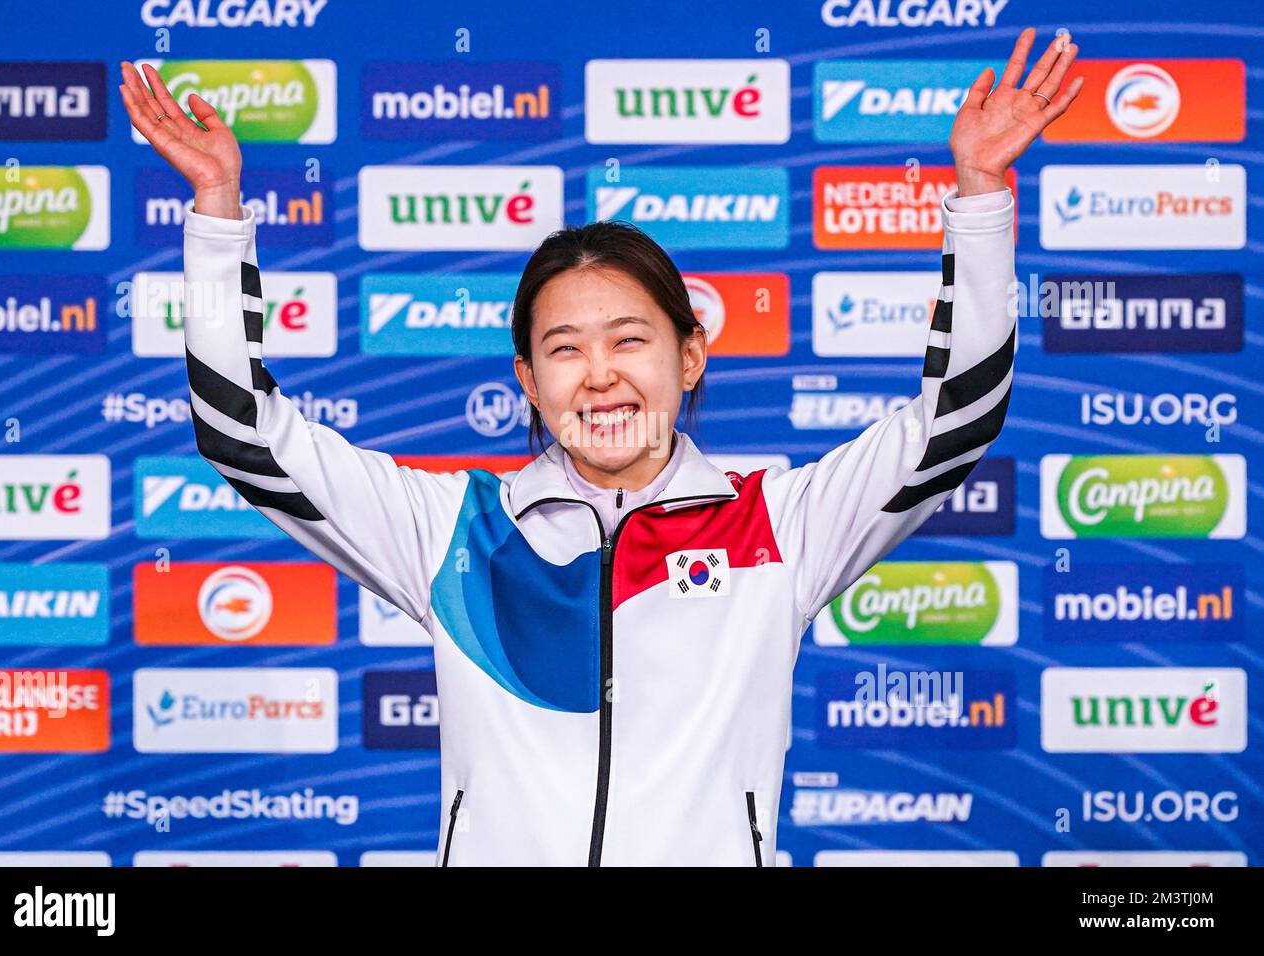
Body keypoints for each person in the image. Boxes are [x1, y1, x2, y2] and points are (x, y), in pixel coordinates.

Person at [117, 28, 1081, 866]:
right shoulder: (459, 530)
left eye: (631, 340)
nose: (601, 375)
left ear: (691, 357)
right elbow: (241, 429)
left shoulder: (777, 524)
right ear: (529, 384)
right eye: (564, 350)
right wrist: (216, 208)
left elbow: (959, 416)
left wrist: (982, 195)